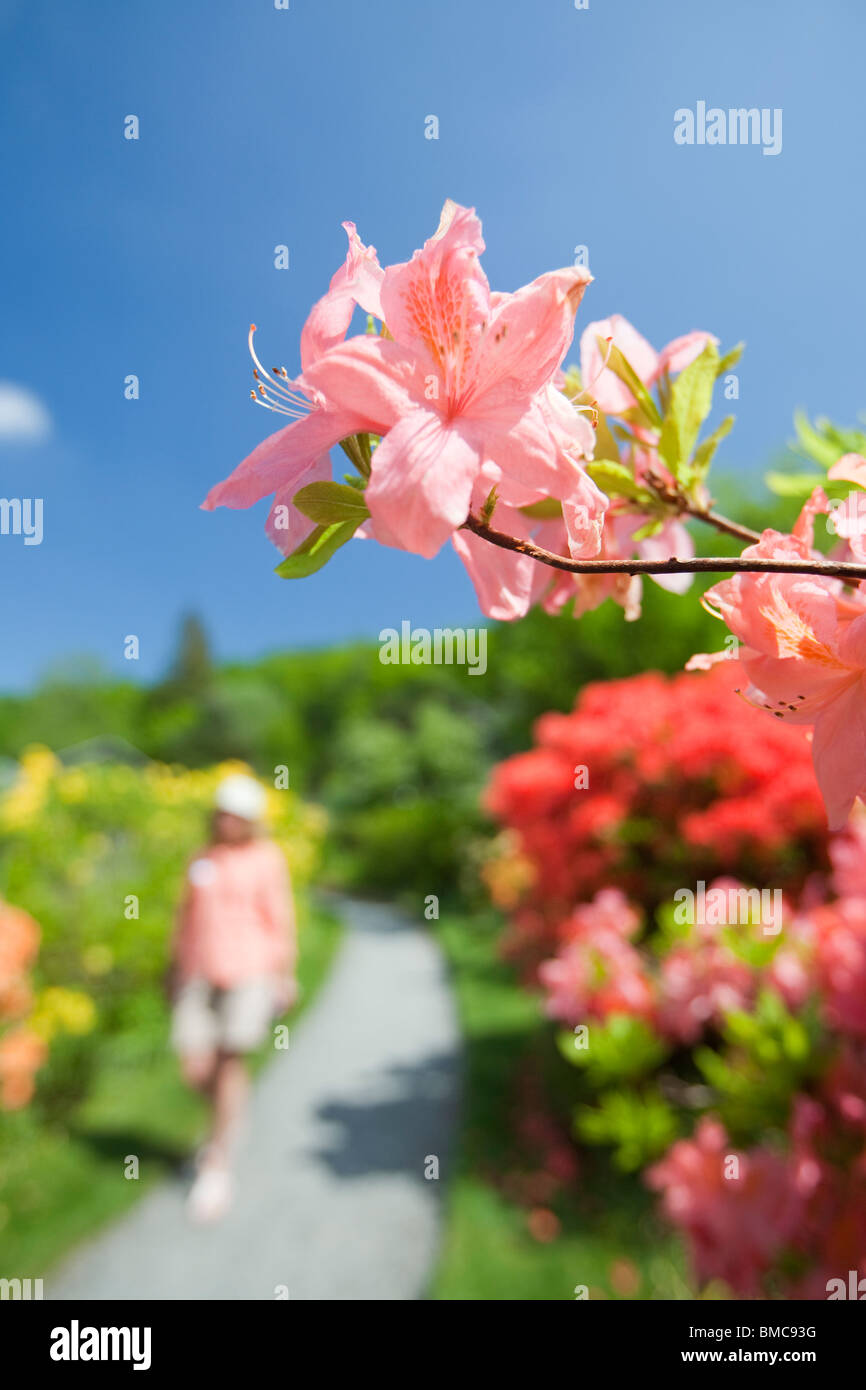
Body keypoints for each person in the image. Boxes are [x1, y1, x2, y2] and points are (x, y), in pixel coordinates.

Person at [168, 773, 298, 1223]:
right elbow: (185, 916)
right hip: (199, 973)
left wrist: (284, 974)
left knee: (229, 1061)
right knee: (195, 1066)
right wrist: (173, 968)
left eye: (235, 815)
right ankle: (228, 1120)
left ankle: (217, 1162)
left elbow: (279, 917)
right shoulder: (202, 858)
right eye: (222, 813)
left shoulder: (266, 859)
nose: (227, 822)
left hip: (249, 972)